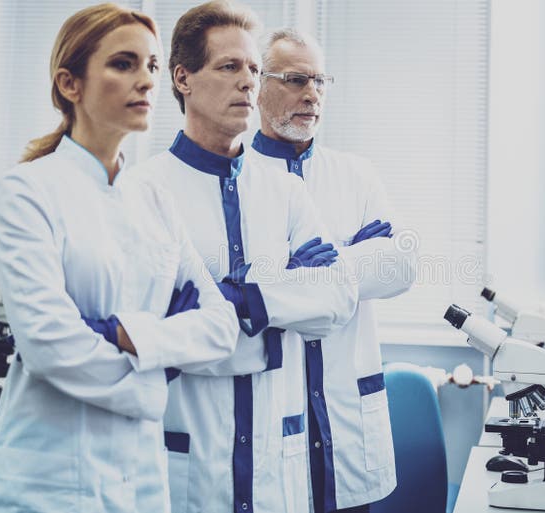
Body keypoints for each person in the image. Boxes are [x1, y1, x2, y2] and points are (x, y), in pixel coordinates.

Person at [0, 4, 240, 512]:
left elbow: (222, 326)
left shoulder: (155, 201)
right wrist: (157, 376)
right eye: (124, 64)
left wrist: (118, 333)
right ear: (70, 84)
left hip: (139, 484)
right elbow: (49, 344)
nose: (146, 81)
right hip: (39, 483)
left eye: (153, 66)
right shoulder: (27, 191)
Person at [131, 3, 358, 513]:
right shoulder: (144, 191)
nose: (248, 83)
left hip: (278, 465)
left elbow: (337, 298)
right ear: (182, 78)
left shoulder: (286, 191)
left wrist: (237, 296)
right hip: (186, 461)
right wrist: (288, 288)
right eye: (230, 67)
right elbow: (153, 328)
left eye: (254, 69)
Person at [250, 29, 417, 513]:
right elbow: (249, 291)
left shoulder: (356, 174)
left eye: (321, 81)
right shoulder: (241, 180)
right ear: (259, 86)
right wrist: (356, 256)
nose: (312, 94)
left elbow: (401, 264)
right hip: (275, 422)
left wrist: (309, 268)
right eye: (296, 79)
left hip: (347, 425)